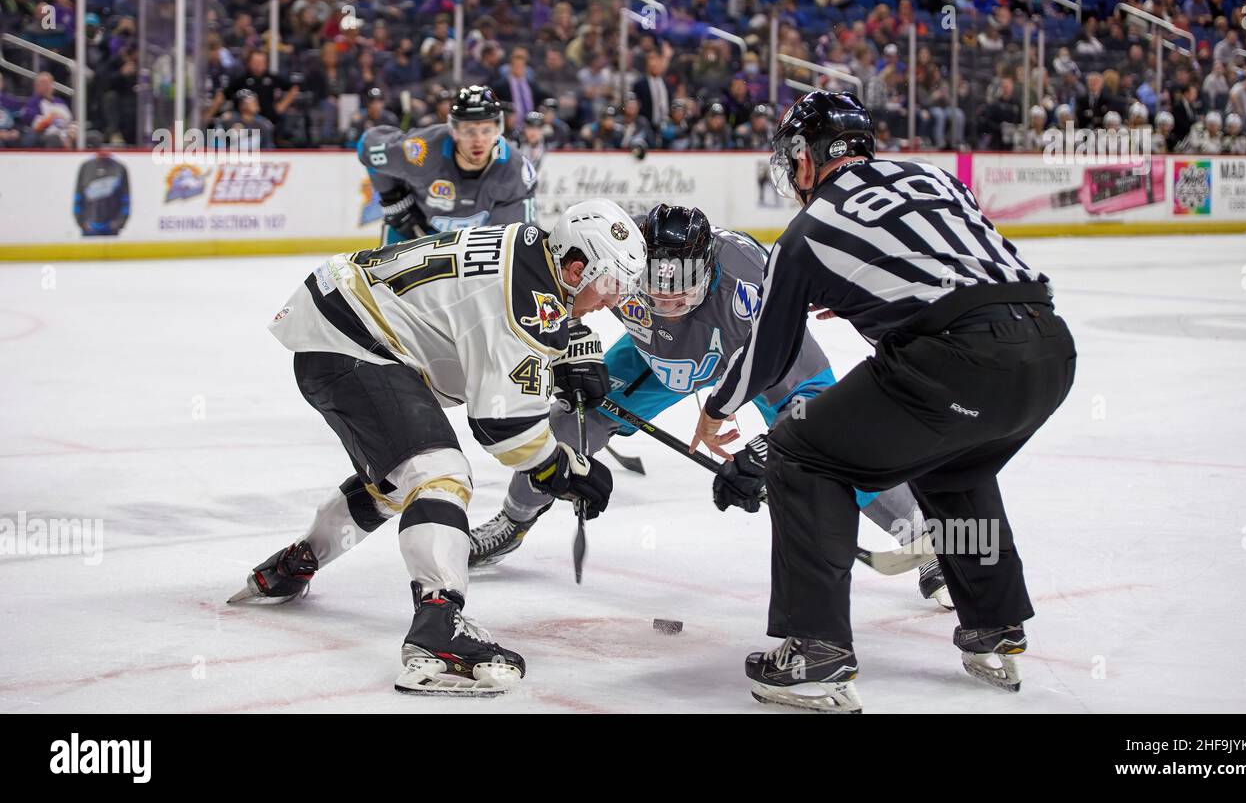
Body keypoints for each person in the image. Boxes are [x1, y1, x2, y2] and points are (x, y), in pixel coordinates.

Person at [691, 91, 1076, 713]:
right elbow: (948, 268)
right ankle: (995, 625)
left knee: (800, 448)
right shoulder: (937, 178)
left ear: (805, 159)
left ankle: (815, 653)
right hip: (1049, 352)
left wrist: (717, 408)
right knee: (955, 465)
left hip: (957, 363)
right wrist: (860, 294)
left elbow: (770, 353)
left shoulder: (807, 232)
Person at [230, 200, 648, 695]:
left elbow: (517, 317)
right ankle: (438, 632)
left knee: (395, 483)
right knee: (438, 474)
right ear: (577, 268)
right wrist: (563, 467)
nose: (611, 302)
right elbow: (501, 424)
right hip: (355, 344)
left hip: (344, 322)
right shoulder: (526, 303)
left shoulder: (533, 246)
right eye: (610, 285)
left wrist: (571, 349)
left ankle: (293, 566)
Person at [469, 203, 952, 608]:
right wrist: (574, 347)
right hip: (655, 356)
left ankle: (926, 542)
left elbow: (805, 396)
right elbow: (558, 288)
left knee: (834, 442)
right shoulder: (620, 253)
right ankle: (514, 520)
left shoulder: (749, 283)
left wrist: (765, 449)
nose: (667, 298)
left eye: (681, 287)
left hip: (750, 354)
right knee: (571, 425)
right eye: (654, 286)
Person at [358, 85, 537, 242]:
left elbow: (514, 242)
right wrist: (393, 200)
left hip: (475, 245)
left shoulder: (515, 169)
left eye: (486, 130)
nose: (478, 140)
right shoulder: (422, 151)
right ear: (454, 131)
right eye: (469, 131)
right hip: (413, 231)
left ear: (498, 129)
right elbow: (368, 145)